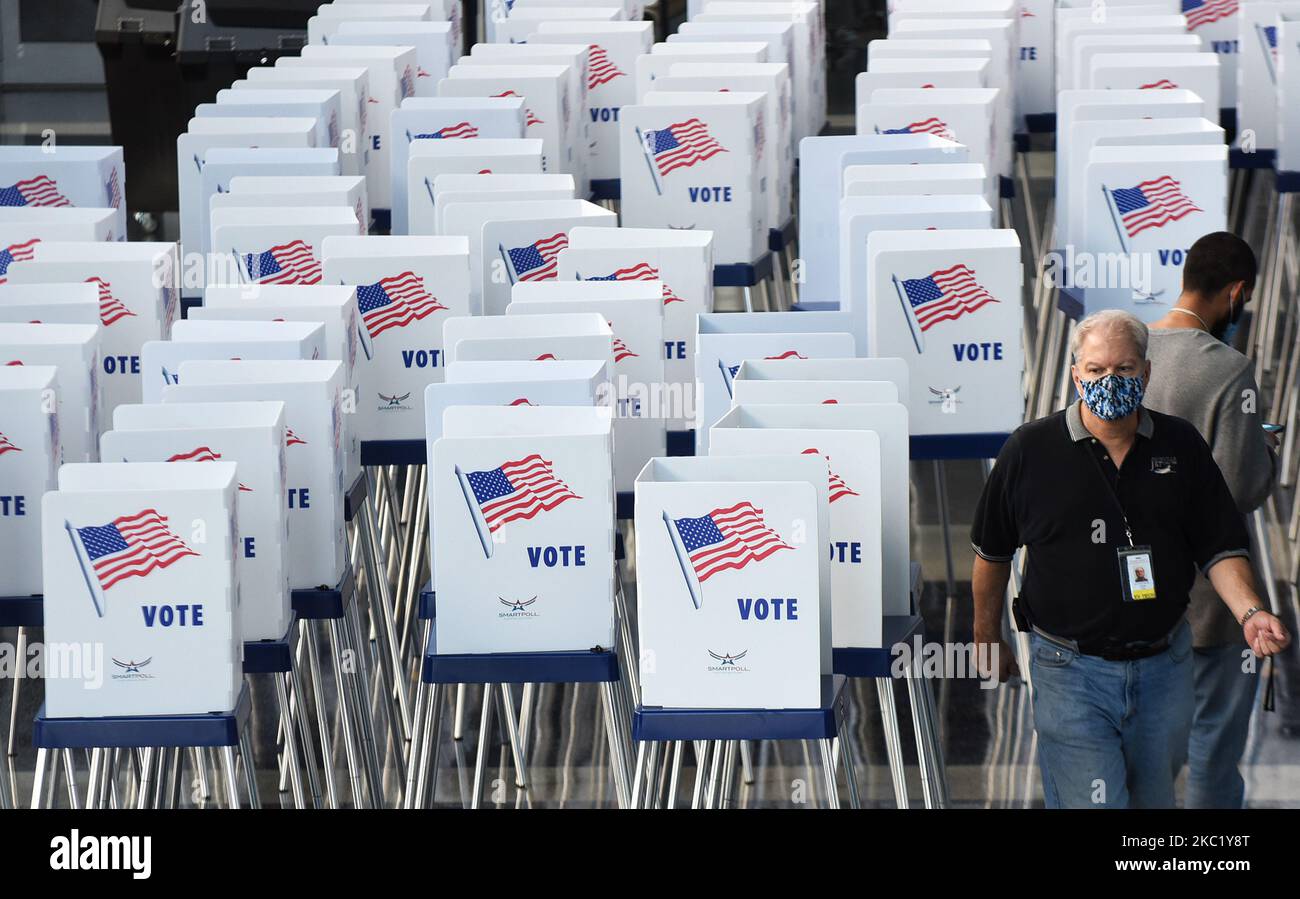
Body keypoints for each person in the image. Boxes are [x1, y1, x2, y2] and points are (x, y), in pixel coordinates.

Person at [970, 309, 1291, 809]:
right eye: (1096, 370)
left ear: (1146, 373)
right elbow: (992, 555)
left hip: (1163, 667)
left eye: (1123, 369)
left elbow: (1219, 544)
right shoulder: (1030, 451)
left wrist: (1250, 612)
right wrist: (987, 641)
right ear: (1076, 374)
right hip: (1068, 667)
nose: (1109, 381)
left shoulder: (1180, 444)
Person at [1144, 231, 1280, 808]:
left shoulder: (1126, 351)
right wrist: (1266, 449)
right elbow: (1239, 487)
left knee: (1148, 752)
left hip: (1136, 591)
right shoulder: (1228, 369)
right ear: (1237, 292)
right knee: (1212, 755)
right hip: (1210, 596)